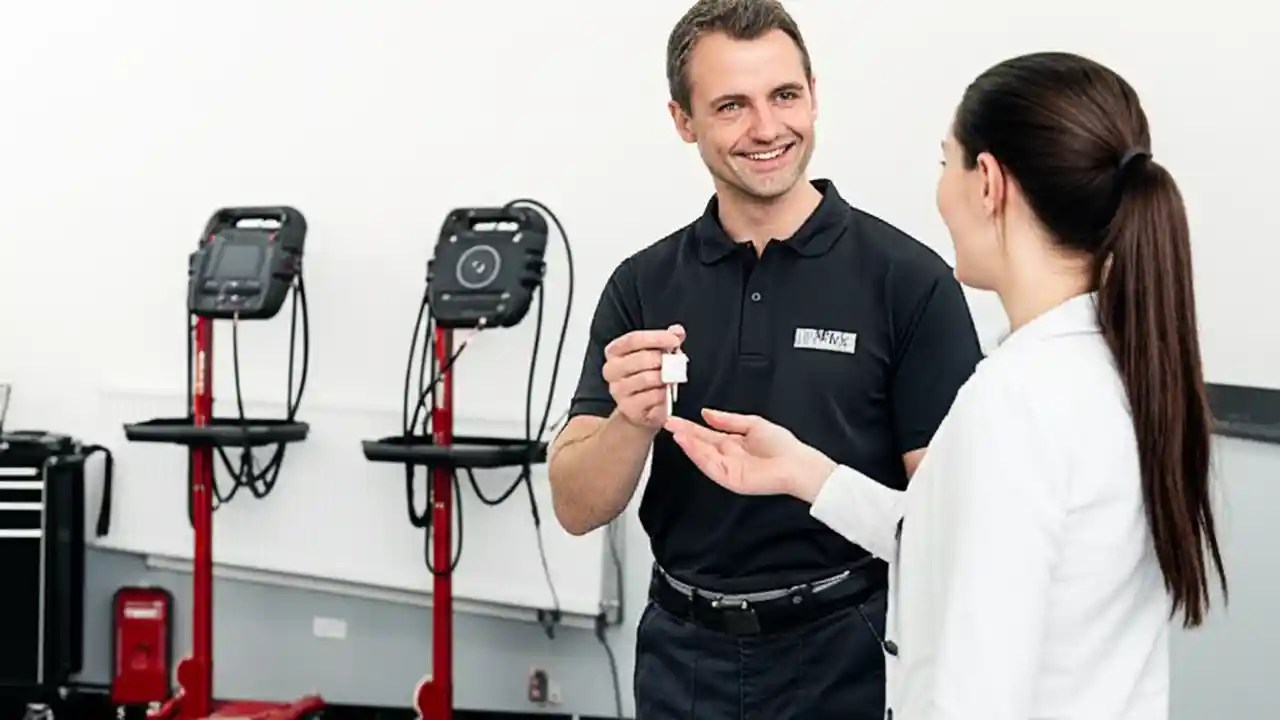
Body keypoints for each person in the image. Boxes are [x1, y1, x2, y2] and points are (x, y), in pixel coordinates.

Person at [666, 51, 1229, 719]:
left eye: (945, 163)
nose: (940, 192)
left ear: (987, 183)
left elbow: (979, 690)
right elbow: (960, 542)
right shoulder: (1107, 368)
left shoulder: (1016, 401)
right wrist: (809, 476)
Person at [547, 0, 984, 717]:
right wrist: (631, 422)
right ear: (683, 121)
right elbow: (576, 506)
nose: (767, 128)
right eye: (731, 106)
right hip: (681, 656)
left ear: (814, 95)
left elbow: (950, 530)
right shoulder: (643, 284)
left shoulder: (908, 281)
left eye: (785, 95)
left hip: (847, 649)